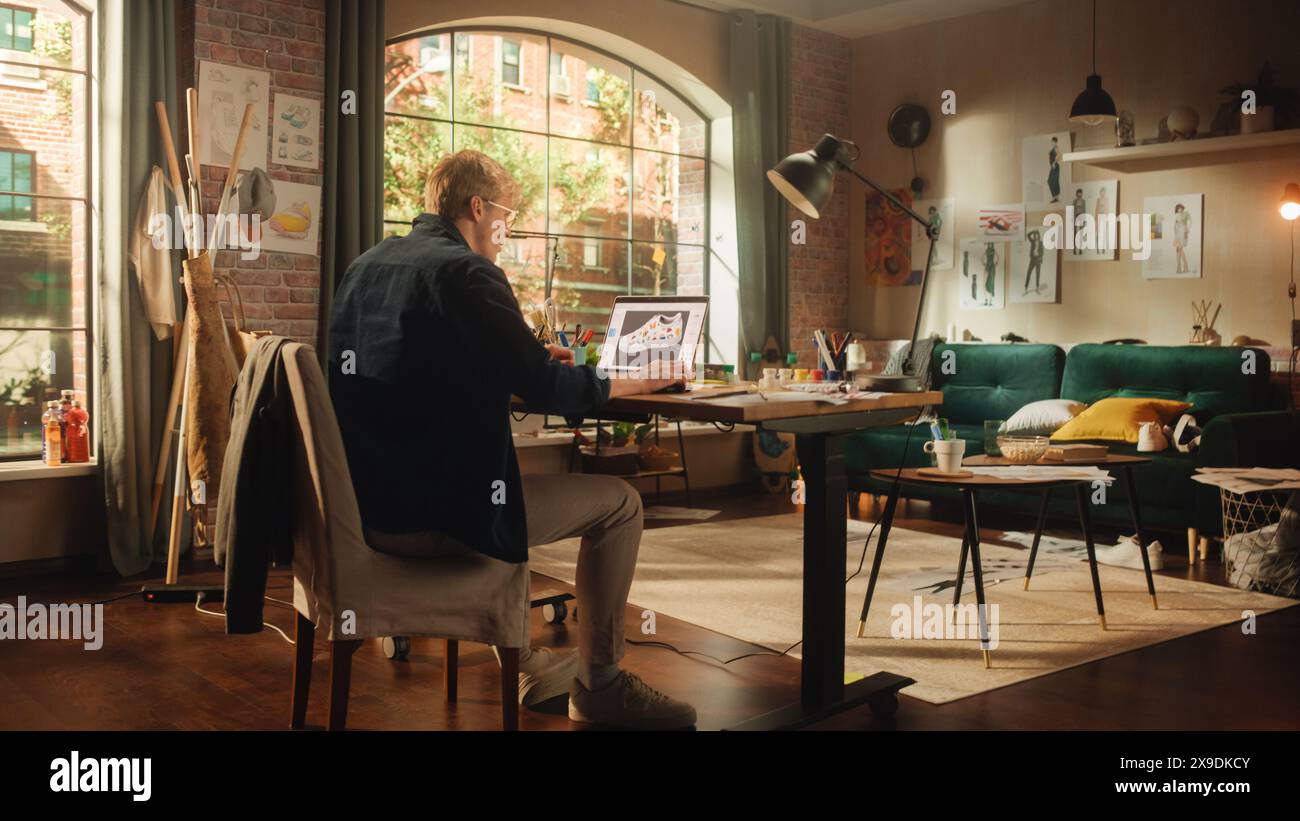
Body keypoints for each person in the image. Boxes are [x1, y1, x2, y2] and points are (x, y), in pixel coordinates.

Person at [328, 150, 697, 730]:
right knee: (621, 505)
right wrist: (641, 376)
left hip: (363, 508)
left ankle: (530, 661)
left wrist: (523, 360)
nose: (510, 233)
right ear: (478, 208)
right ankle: (600, 687)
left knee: (520, 486)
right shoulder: (467, 273)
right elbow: (548, 388)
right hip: (437, 516)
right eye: (508, 217)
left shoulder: (367, 266)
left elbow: (418, 369)